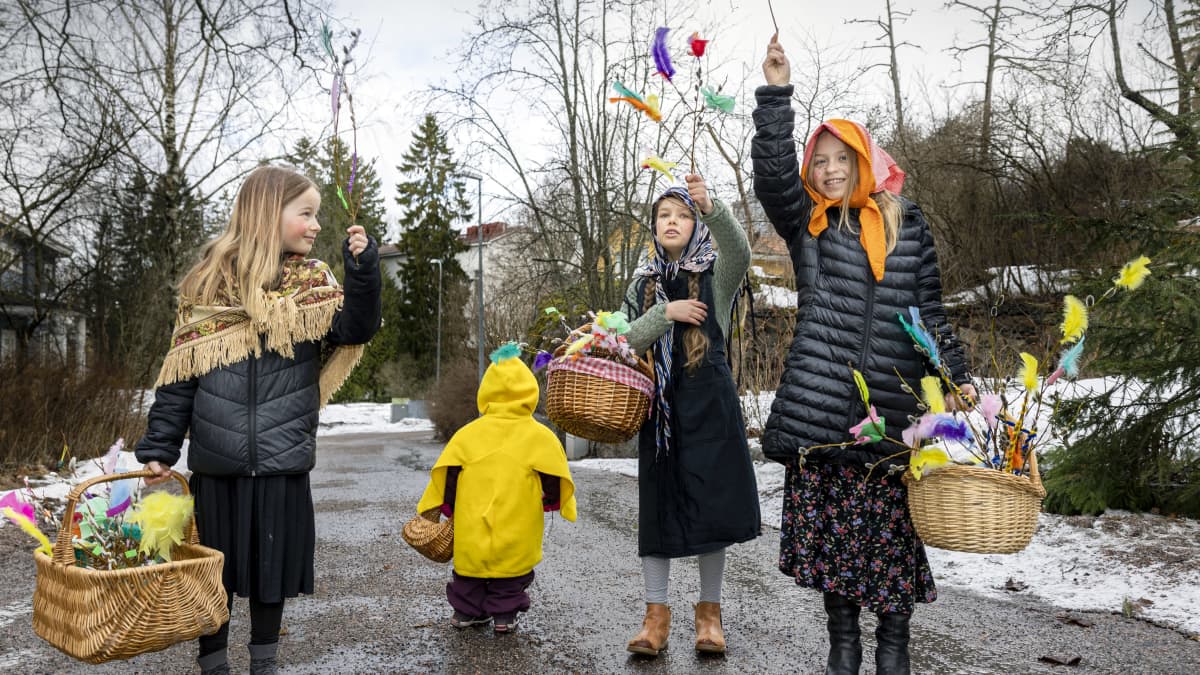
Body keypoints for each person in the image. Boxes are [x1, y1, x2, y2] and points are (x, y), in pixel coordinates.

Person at [752, 35, 977, 675]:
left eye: (839, 158)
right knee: (841, 557)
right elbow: (772, 174)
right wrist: (776, 93)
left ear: (863, 160)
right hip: (826, 421)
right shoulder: (812, 226)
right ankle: (843, 653)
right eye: (818, 160)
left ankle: (895, 655)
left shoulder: (910, 225)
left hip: (893, 417)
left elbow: (930, 314)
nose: (827, 170)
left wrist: (956, 378)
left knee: (893, 553)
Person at [135, 165, 381, 675]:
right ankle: (214, 664)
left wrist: (363, 272)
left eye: (316, 214)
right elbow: (181, 374)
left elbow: (357, 327)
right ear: (269, 214)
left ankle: (264, 662)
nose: (315, 225)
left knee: (273, 572)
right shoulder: (208, 286)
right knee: (212, 572)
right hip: (216, 464)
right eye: (305, 213)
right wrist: (159, 447)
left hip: (282, 459)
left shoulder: (314, 286)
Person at [619, 174, 761, 657]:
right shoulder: (641, 284)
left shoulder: (715, 273)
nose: (672, 221)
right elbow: (620, 343)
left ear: (694, 224)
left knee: (709, 508)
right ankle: (655, 618)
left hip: (710, 409)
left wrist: (714, 206)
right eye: (664, 215)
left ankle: (709, 616)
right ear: (654, 226)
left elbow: (741, 253)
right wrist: (667, 312)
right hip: (658, 414)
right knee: (657, 509)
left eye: (682, 214)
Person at [416, 343, 577, 634]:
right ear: (529, 390)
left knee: (469, 572)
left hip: (472, 522)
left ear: (486, 391)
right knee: (511, 572)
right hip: (518, 520)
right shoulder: (539, 436)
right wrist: (554, 501)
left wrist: (449, 507)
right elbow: (555, 475)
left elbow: (447, 473)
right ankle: (503, 617)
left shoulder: (467, 434)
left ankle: (465, 612)